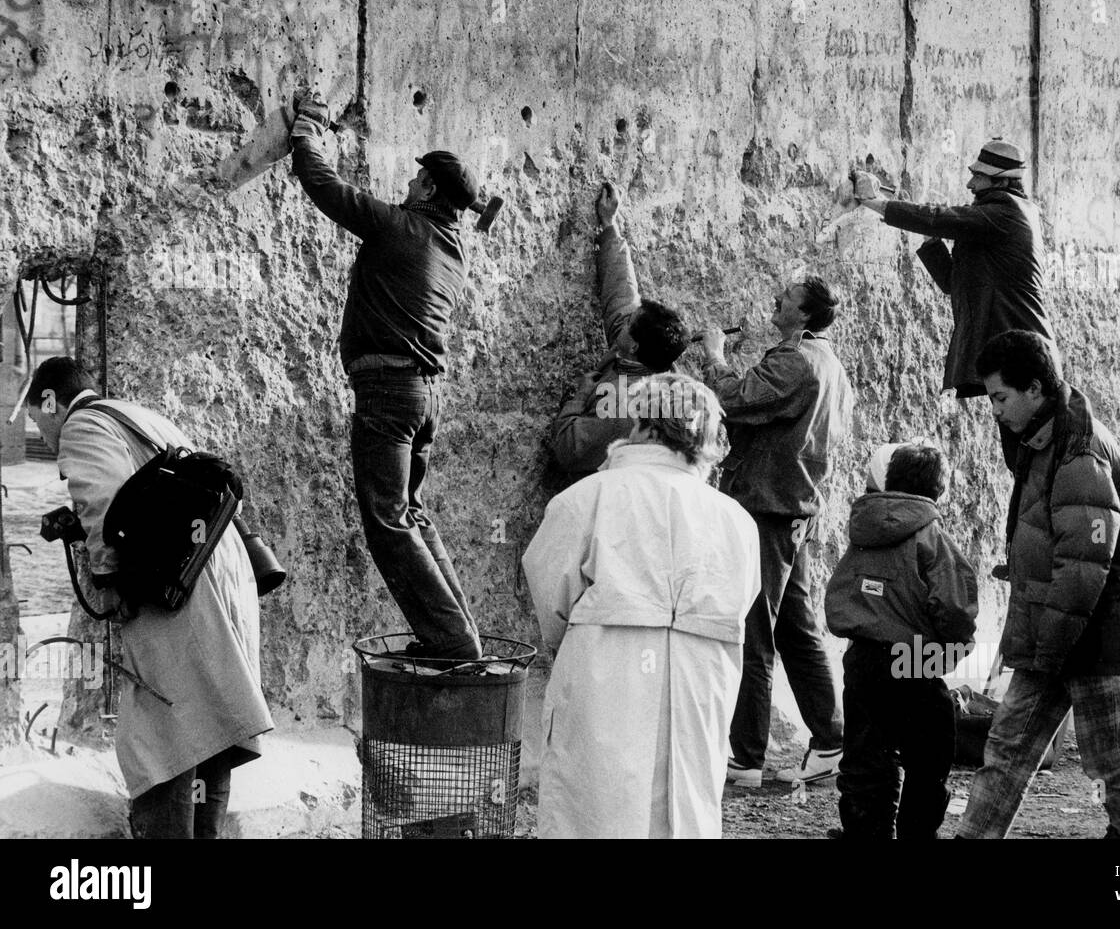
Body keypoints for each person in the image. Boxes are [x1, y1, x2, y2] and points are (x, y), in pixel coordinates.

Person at [28, 357, 273, 839]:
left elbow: (102, 500)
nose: (43, 432)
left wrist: (108, 580)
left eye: (38, 419)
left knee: (164, 734)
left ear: (51, 402)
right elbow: (147, 496)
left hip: (183, 585)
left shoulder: (82, 427)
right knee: (212, 722)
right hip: (223, 568)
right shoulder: (136, 415)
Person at [522, 374, 761, 838]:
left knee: (594, 806)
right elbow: (742, 599)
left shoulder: (585, 498)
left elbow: (552, 594)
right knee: (685, 809)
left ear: (643, 423)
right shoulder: (737, 521)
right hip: (701, 677)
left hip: (605, 668)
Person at [955, 330, 1120, 839]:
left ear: (1034, 390)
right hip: (1056, 637)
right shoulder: (1050, 437)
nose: (996, 411)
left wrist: (1042, 649)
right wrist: (1023, 639)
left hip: (1085, 643)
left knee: (1114, 767)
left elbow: (1082, 569)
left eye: (1001, 397)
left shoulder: (1078, 451)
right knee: (1007, 753)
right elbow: (1052, 552)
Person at [290, 100, 480, 660]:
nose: (410, 181)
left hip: (388, 394)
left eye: (418, 177)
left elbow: (328, 190)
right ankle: (460, 634)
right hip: (421, 399)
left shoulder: (402, 229)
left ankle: (453, 643)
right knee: (411, 514)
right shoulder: (452, 249)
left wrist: (306, 137)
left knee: (387, 521)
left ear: (427, 191)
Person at [699, 275, 854, 787]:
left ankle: (745, 758)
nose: (776, 298)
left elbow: (734, 399)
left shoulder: (795, 361)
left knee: (753, 632)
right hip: (795, 509)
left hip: (765, 508)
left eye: (786, 297)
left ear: (805, 315)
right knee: (796, 629)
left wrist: (715, 355)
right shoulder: (830, 366)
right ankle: (831, 743)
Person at [825, 441, 979, 839]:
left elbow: (837, 595)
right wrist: (951, 649)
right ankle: (916, 834)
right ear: (938, 490)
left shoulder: (862, 532)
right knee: (930, 755)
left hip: (862, 658)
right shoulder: (933, 539)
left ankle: (865, 833)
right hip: (915, 659)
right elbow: (956, 609)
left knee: (865, 757)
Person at [854, 139, 1053, 401]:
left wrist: (874, 201)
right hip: (1015, 353)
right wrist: (926, 233)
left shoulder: (1007, 212)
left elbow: (940, 217)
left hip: (1026, 358)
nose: (970, 185)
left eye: (979, 178)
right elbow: (952, 281)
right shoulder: (997, 217)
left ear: (1002, 182)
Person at [551, 184, 689, 478]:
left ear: (635, 345)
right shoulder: (652, 357)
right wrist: (609, 226)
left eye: (628, 325)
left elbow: (569, 448)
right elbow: (623, 295)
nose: (623, 323)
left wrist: (580, 396)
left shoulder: (622, 406)